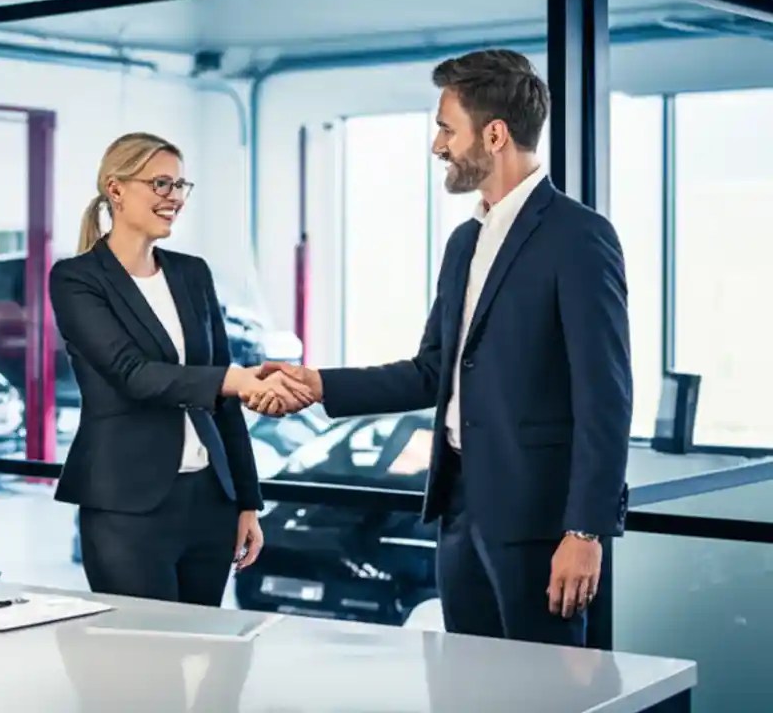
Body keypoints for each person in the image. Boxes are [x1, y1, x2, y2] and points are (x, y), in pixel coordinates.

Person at [252, 50, 631, 647]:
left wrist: (585, 532)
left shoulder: (578, 237)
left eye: (446, 128)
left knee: (547, 694)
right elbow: (432, 372)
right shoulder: (464, 243)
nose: (438, 146)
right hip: (458, 514)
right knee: (469, 688)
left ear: (495, 134)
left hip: (539, 527)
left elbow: (605, 398)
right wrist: (316, 383)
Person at [49, 132, 313, 606]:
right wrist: (235, 380)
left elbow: (222, 397)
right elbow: (133, 374)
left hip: (210, 502)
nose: (173, 198)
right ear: (116, 189)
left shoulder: (192, 273)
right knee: (143, 663)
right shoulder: (77, 279)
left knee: (207, 657)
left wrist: (247, 501)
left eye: (179, 186)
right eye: (160, 184)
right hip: (127, 506)